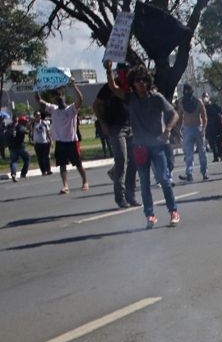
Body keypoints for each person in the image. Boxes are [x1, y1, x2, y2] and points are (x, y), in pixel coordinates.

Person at [104, 62, 181, 227]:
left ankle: (173, 211)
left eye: (143, 80)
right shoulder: (130, 99)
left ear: (148, 81)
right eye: (137, 80)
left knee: (164, 179)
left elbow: (174, 114)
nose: (140, 83)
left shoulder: (157, 98)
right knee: (144, 183)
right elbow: (113, 87)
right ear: (132, 82)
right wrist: (109, 70)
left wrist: (167, 129)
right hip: (140, 147)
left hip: (158, 145)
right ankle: (150, 215)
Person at [94, 67, 137, 206]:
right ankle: (120, 197)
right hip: (115, 127)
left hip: (131, 126)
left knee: (134, 161)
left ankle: (131, 195)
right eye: (123, 71)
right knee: (121, 160)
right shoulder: (109, 87)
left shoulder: (132, 86)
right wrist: (103, 123)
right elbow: (96, 105)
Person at [41, 80, 89, 193]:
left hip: (71, 141)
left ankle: (85, 181)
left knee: (78, 164)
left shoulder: (71, 109)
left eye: (59, 95)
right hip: (60, 142)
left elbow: (80, 99)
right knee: (62, 165)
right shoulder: (53, 108)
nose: (57, 98)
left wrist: (74, 86)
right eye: (54, 96)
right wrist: (36, 89)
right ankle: (65, 186)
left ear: (63, 96)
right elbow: (40, 101)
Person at [178, 84, 209, 182]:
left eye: (189, 90)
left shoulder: (198, 102)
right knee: (188, 153)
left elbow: (204, 117)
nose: (187, 93)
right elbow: (179, 116)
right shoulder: (181, 102)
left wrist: (203, 129)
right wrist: (178, 130)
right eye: (186, 91)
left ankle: (204, 172)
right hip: (187, 129)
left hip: (197, 127)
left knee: (202, 152)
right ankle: (189, 173)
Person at [203, 92, 222, 163]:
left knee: (219, 142)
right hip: (209, 128)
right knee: (211, 143)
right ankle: (215, 157)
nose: (205, 98)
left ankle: (221, 156)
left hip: (217, 127)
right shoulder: (202, 108)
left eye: (206, 96)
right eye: (203, 96)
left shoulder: (214, 106)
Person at [30, 111, 52, 176]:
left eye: (39, 115)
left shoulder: (44, 123)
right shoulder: (33, 124)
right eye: (36, 116)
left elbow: (48, 132)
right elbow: (29, 129)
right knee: (40, 158)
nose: (38, 117)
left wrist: (50, 140)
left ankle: (48, 170)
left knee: (46, 157)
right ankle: (43, 171)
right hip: (37, 143)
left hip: (45, 142)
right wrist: (31, 121)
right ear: (34, 116)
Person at [8, 115, 29, 180]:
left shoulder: (10, 127)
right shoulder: (21, 127)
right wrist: (28, 128)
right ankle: (23, 174)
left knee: (14, 161)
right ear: (22, 122)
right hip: (21, 147)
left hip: (12, 147)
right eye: (25, 121)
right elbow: (27, 132)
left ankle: (14, 174)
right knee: (27, 159)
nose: (26, 122)